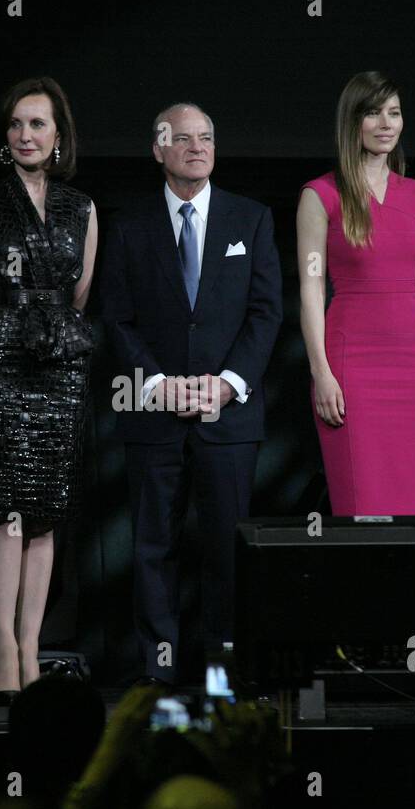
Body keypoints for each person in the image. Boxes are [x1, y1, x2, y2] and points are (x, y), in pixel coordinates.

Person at [101, 102, 282, 687]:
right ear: (158, 149)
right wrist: (155, 385)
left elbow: (265, 312)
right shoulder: (127, 225)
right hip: (153, 418)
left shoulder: (250, 218)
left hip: (228, 420)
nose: (197, 147)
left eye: (205, 137)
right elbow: (118, 318)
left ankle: (221, 674)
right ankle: (158, 675)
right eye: (182, 139)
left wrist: (227, 386)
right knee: (153, 548)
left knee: (227, 551)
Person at [0, 77, 97, 706]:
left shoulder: (81, 207)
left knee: (44, 516)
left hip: (59, 365)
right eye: (16, 124)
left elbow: (78, 295)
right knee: (1, 510)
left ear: (58, 135)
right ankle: (4, 650)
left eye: (38, 124)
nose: (26, 135)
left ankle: (33, 644)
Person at [298, 71, 415, 516]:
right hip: (351, 367)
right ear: (353, 122)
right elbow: (310, 289)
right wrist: (321, 373)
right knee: (361, 508)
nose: (387, 123)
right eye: (373, 113)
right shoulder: (321, 195)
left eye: (395, 113)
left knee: (409, 512)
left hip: (410, 367)